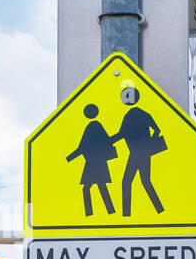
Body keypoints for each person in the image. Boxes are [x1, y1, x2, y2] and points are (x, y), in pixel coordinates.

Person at [112, 88, 165, 216]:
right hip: (143, 153)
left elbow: (121, 134)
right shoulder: (144, 114)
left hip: (136, 153)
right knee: (145, 181)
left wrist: (106, 141)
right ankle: (160, 210)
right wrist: (149, 144)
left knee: (127, 182)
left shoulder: (129, 116)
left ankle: (126, 215)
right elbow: (157, 130)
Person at [66, 103, 118, 216]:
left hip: (93, 164)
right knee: (100, 187)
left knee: (89, 188)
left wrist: (68, 159)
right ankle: (110, 211)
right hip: (98, 163)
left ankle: (91, 214)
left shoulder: (92, 127)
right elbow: (107, 141)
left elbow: (82, 147)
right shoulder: (96, 126)